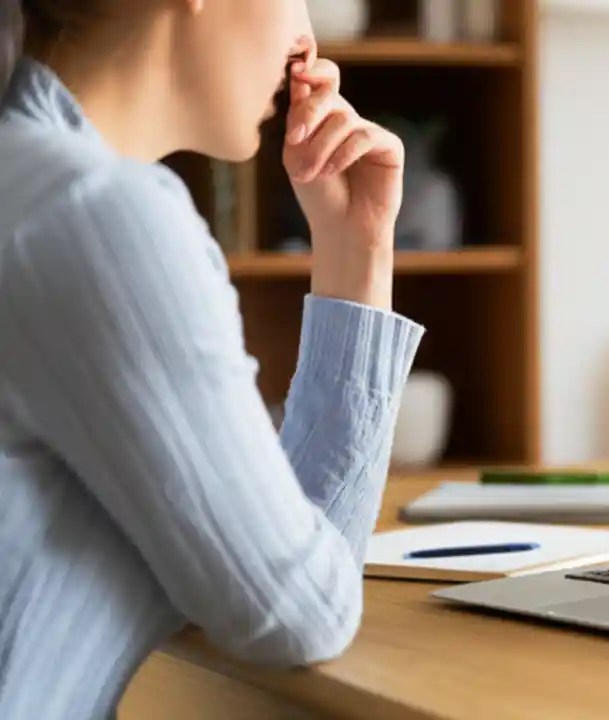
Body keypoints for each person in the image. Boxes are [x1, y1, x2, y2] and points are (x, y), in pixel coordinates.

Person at [0, 2, 423, 718]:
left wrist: (354, 245)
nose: (306, 37)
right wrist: (358, 263)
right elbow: (300, 613)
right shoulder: (99, 213)